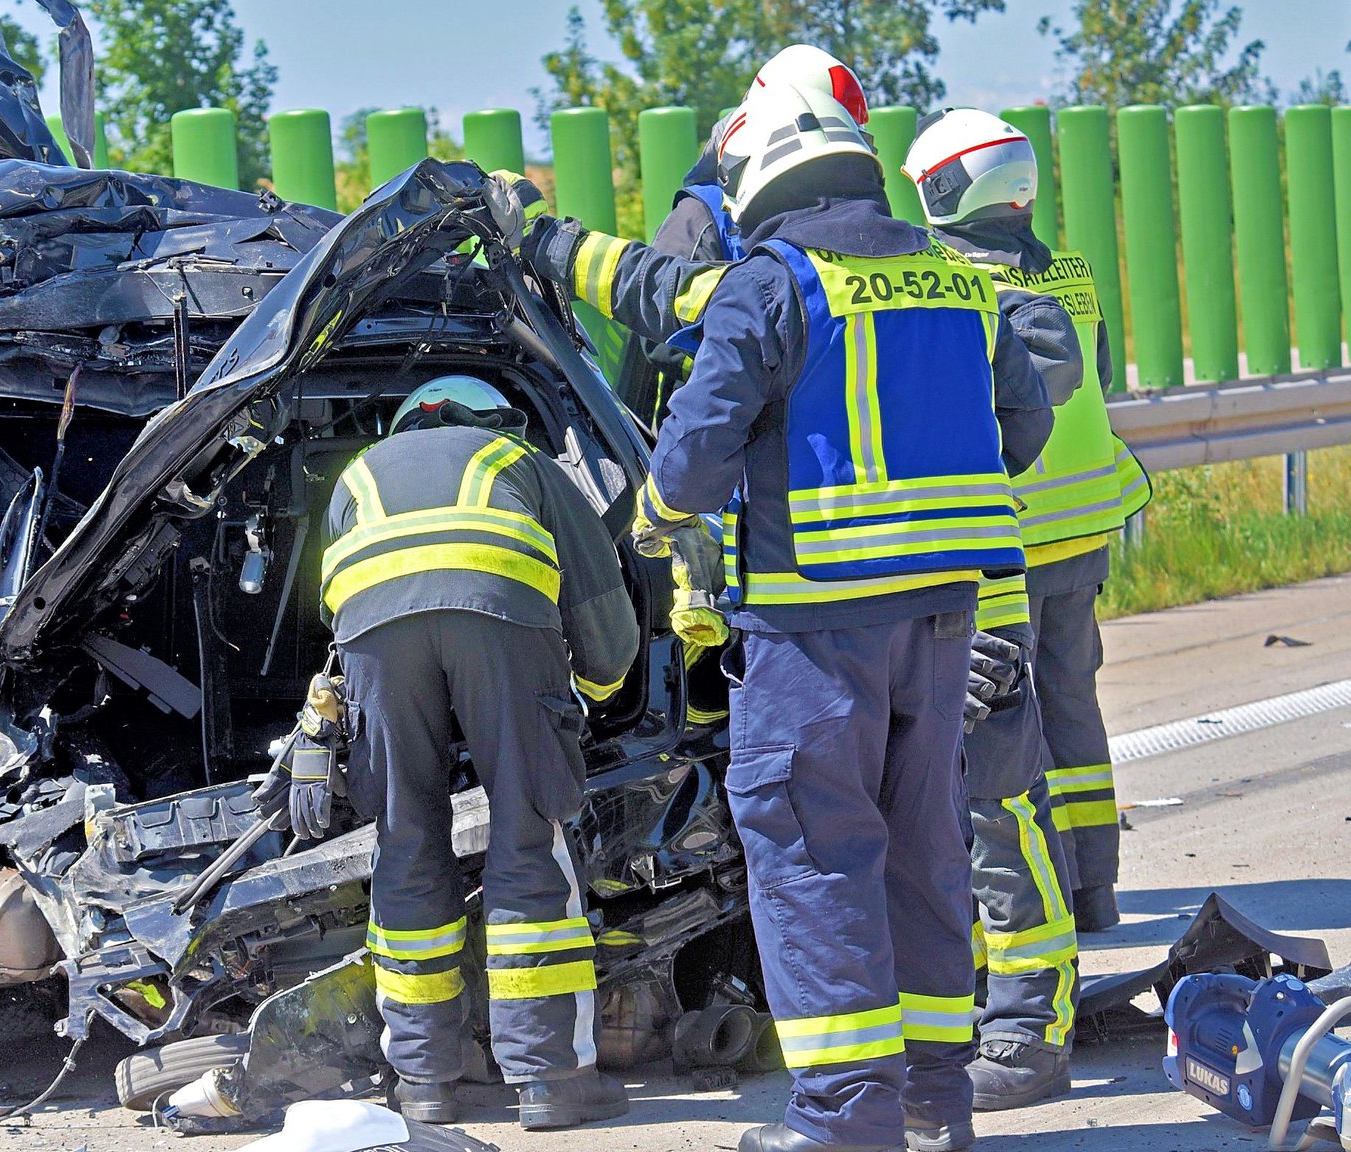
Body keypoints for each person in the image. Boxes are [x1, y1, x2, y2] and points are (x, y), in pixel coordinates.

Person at [505, 80, 1054, 1152]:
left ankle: (844, 1122)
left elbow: (695, 451)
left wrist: (662, 522)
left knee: (813, 857)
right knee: (922, 850)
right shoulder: (956, 277)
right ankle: (936, 1106)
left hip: (813, 631)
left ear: (755, 180)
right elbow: (1021, 433)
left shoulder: (774, 281)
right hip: (943, 622)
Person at [903, 107, 1152, 1112]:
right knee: (1070, 718)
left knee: (1013, 755)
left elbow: (1011, 397)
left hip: (1020, 539)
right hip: (1081, 529)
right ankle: (1089, 887)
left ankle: (1049, 907)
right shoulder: (1062, 271)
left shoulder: (976, 284)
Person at [311, 374, 641, 1131]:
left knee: (404, 841)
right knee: (527, 835)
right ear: (497, 418)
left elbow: (335, 606)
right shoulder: (517, 459)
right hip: (500, 616)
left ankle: (427, 1082)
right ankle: (548, 1079)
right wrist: (588, 686)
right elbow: (600, 606)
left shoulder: (356, 475)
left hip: (374, 638)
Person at [619, 44, 871, 426]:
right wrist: (757, 369)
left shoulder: (860, 215)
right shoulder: (702, 213)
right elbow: (661, 334)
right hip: (714, 443)